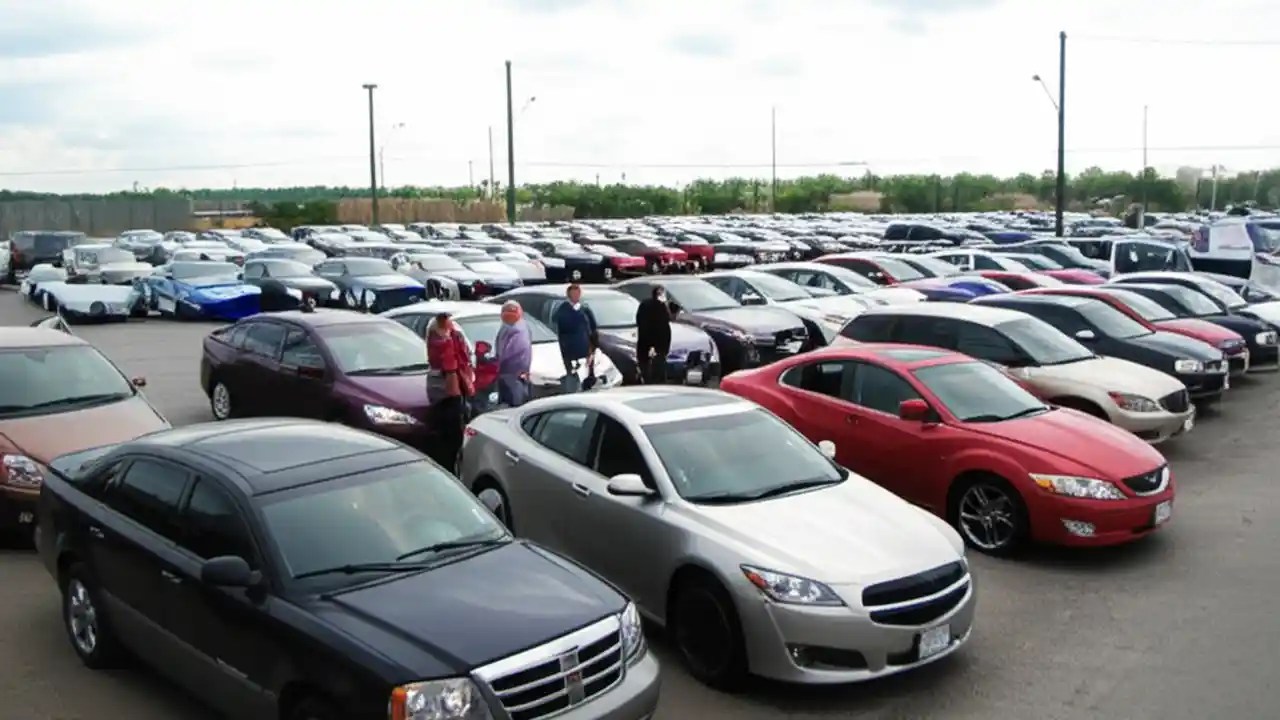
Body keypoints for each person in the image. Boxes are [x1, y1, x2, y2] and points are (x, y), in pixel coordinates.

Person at [425, 312, 475, 470]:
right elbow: (451, 367)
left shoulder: (446, 338)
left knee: (448, 432)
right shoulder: (443, 344)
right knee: (451, 434)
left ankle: (449, 463)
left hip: (447, 392)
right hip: (448, 393)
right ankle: (450, 466)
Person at [552, 284, 598, 389]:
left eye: (578, 293)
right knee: (572, 376)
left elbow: (593, 328)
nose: (576, 296)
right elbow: (561, 327)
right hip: (569, 349)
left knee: (586, 375)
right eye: (574, 293)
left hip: (585, 349)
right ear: (569, 295)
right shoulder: (562, 310)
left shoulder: (585, 309)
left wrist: (593, 345)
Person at [493, 300, 533, 406]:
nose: (509, 317)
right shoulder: (506, 328)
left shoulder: (519, 329)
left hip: (515, 374)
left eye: (512, 314)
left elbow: (511, 352)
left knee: (515, 403)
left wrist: (499, 361)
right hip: (507, 374)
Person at [635, 285, 673, 384]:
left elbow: (639, 320)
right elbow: (667, 319)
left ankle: (647, 379)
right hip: (658, 341)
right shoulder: (661, 307)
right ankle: (654, 380)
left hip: (647, 340)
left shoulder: (646, 304)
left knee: (647, 363)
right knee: (657, 364)